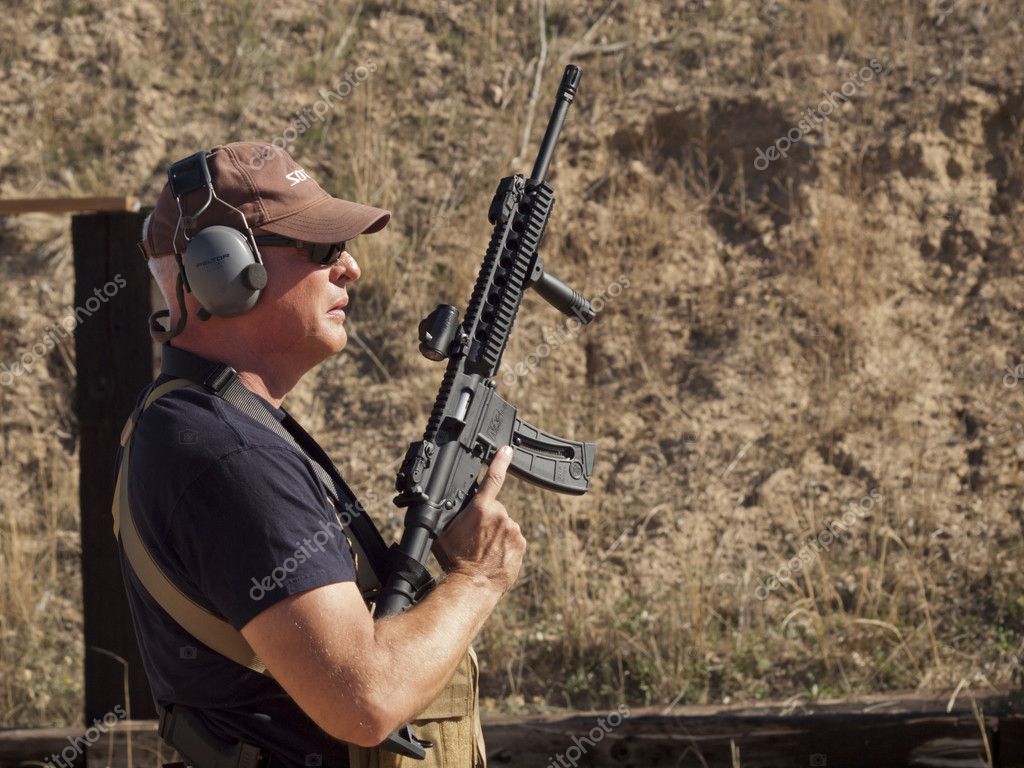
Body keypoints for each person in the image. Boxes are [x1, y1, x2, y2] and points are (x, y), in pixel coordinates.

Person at [119, 141, 526, 767]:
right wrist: (479, 577)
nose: (351, 268)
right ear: (221, 271)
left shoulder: (216, 423)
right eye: (322, 249)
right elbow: (362, 701)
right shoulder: (226, 455)